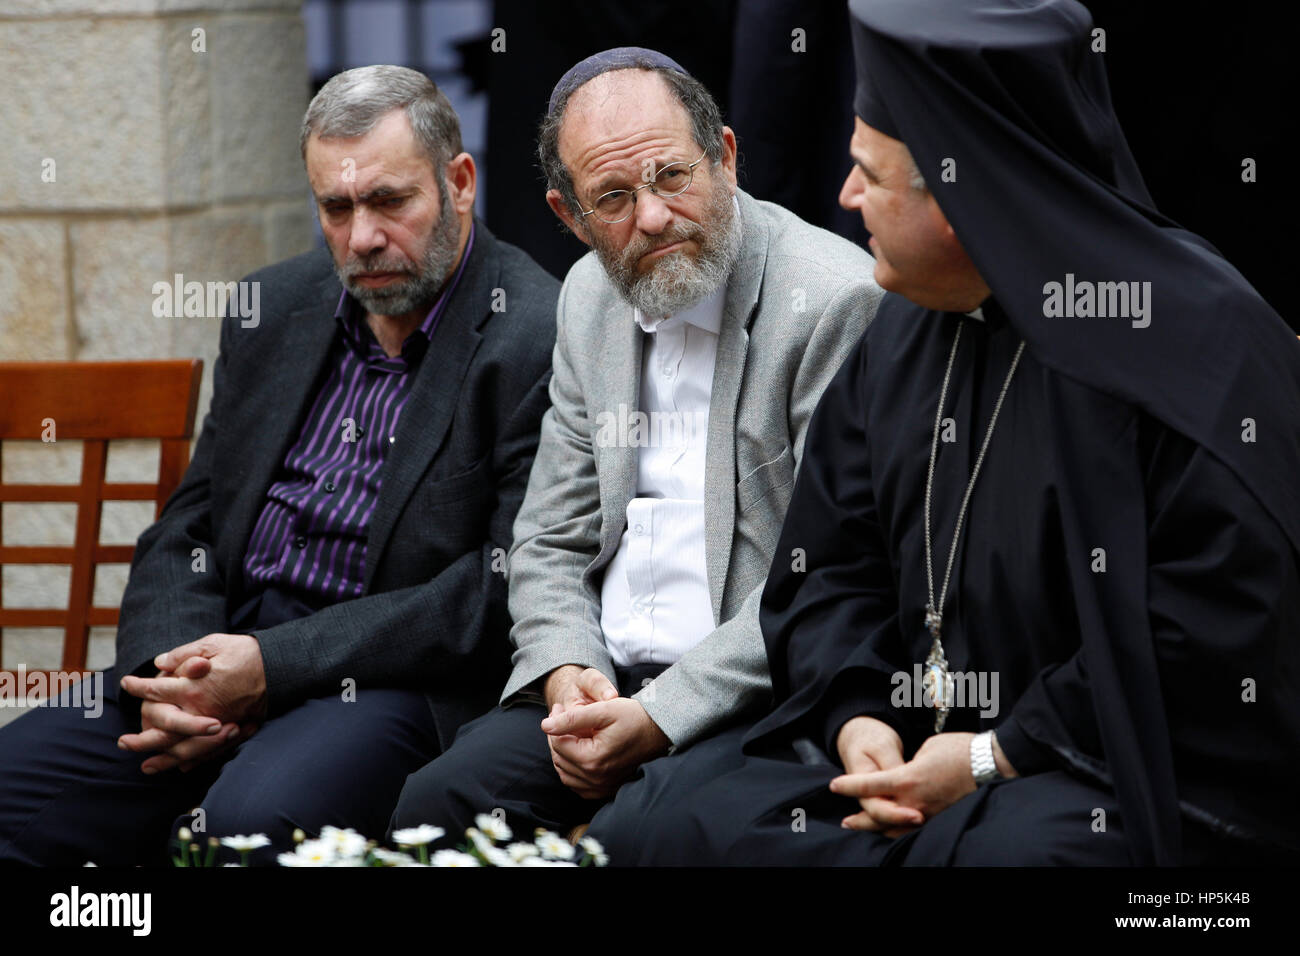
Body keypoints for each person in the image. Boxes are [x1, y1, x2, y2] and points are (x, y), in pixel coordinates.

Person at [622, 0, 1300, 866]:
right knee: (662, 819)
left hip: (1106, 772)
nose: (845, 195)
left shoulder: (1193, 343)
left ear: (965, 196)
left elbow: (1214, 632)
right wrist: (857, 713)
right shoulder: (899, 331)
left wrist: (993, 754)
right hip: (911, 753)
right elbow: (827, 567)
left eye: (869, 171)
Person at [0, 65, 560, 866]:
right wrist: (172, 676)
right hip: (220, 654)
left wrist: (273, 667)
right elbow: (190, 523)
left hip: (385, 680)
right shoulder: (274, 308)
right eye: (337, 207)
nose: (363, 236)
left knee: (249, 825)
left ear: (459, 182)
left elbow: (494, 590)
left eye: (390, 201)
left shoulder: (533, 333)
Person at [390, 48, 882, 860]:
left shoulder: (830, 302)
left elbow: (824, 579)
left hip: (751, 696)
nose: (651, 217)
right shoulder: (589, 295)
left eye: (672, 177)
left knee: (632, 838)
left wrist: (661, 715)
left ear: (724, 157)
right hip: (600, 680)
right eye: (613, 198)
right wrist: (566, 667)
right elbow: (548, 536)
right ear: (569, 214)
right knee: (432, 805)